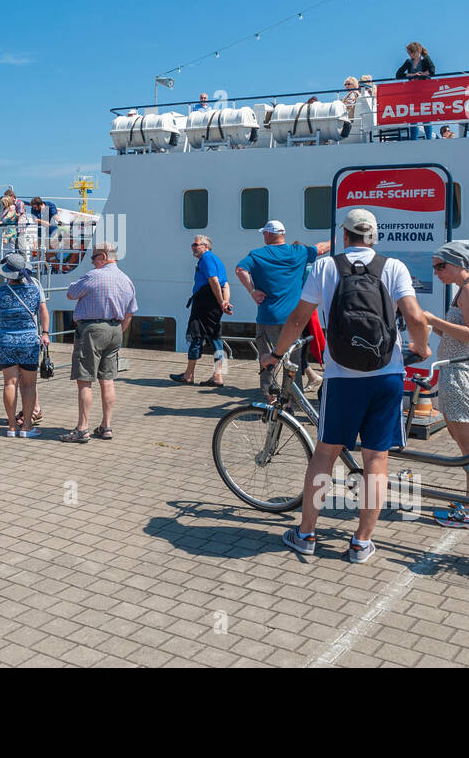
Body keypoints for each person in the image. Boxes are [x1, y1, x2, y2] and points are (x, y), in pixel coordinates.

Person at [262, 209, 431, 564]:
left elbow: (297, 318)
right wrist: (423, 347)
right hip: (386, 375)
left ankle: (306, 534)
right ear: (374, 236)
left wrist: (276, 355)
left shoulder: (325, 267)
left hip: (342, 377)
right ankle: (360, 543)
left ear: (345, 235)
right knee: (377, 461)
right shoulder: (393, 267)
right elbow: (415, 317)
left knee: (325, 453)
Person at [422, 241, 469, 529]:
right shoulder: (464, 290)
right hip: (456, 373)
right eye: (434, 266)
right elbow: (457, 333)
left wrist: (433, 319)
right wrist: (430, 323)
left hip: (465, 375)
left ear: (459, 264)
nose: (437, 272)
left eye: (441, 266)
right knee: (466, 445)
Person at [62, 242, 137, 443]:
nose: (93, 262)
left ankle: (82, 428)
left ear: (103, 257)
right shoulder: (126, 280)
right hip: (115, 330)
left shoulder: (94, 276)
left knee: (85, 380)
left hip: (92, 329)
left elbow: (71, 294)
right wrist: (118, 330)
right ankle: (106, 426)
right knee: (108, 380)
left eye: (93, 258)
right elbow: (130, 312)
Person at [236, 221, 320, 398]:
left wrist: (252, 291)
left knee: (268, 358)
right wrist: (337, 238)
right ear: (283, 234)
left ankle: (270, 396)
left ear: (267, 234)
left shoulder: (257, 254)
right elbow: (320, 248)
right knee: (293, 360)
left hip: (268, 317)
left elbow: (240, 269)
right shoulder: (299, 252)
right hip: (294, 319)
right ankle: (292, 398)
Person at [0, 252, 50, 437]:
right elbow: (40, 311)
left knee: (9, 383)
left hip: (6, 339)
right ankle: (26, 427)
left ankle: (11, 426)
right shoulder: (33, 290)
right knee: (29, 385)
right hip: (28, 341)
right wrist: (45, 333)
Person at [170, 235, 232, 387]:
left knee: (196, 336)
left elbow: (214, 280)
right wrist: (224, 302)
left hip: (205, 303)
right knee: (215, 338)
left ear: (205, 246)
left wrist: (220, 302)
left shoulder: (206, 259)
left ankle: (189, 375)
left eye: (195, 244)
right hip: (214, 305)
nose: (192, 247)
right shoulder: (217, 260)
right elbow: (226, 285)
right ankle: (218, 375)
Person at [396, 42, 437, 139]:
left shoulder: (425, 59)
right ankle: (414, 139)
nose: (409, 55)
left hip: (424, 91)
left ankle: (429, 138)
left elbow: (432, 71)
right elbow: (398, 74)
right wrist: (413, 75)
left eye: (410, 52)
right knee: (413, 116)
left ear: (416, 52)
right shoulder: (408, 62)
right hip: (412, 92)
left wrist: (422, 74)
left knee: (426, 114)